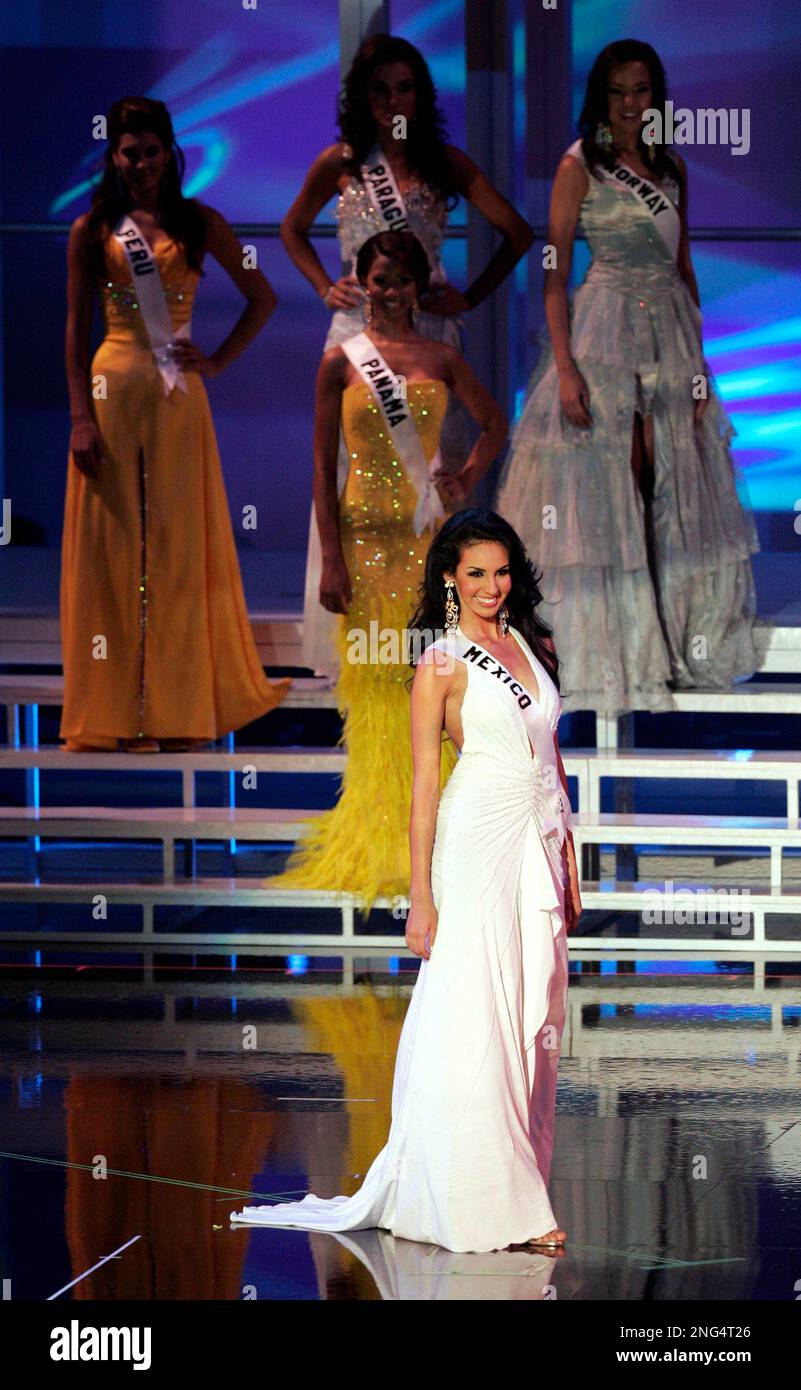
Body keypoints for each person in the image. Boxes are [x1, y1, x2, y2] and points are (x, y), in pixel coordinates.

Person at [232, 509, 582, 1253]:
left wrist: (569, 862)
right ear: (450, 582)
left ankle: (517, 1180)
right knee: (476, 1018)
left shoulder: (530, 644)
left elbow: (550, 762)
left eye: (500, 571)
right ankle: (497, 1206)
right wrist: (420, 896)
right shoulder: (440, 663)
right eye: (475, 574)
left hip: (534, 844)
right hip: (475, 843)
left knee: (531, 1017)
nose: (491, 587)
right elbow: (425, 785)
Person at [494, 39, 760, 716]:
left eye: (640, 91)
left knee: (668, 480)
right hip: (603, 329)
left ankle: (669, 643)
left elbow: (686, 269)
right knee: (616, 481)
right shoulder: (577, 164)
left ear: (655, 96)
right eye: (617, 92)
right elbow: (552, 275)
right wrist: (564, 367)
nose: (630, 104)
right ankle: (618, 648)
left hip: (668, 329)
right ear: (600, 98)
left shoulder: (670, 164)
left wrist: (699, 367)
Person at [281, 32, 533, 678]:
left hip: (426, 338)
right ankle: (349, 633)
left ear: (420, 96)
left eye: (404, 87)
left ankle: (439, 634)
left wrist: (468, 295)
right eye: (379, 88)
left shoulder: (444, 163)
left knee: (432, 479)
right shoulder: (338, 163)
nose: (392, 100)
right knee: (346, 474)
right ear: (361, 99)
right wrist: (320, 283)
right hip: (353, 334)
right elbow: (291, 229)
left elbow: (516, 231)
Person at [273, 231, 507, 912]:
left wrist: (464, 477)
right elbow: (320, 467)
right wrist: (332, 560)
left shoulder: (441, 355)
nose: (391, 291)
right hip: (363, 546)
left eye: (402, 279)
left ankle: (445, 839)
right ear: (362, 282)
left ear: (418, 285)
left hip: (426, 545)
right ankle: (384, 837)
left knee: (434, 690)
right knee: (377, 695)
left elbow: (493, 424)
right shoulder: (337, 362)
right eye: (379, 279)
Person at [60, 96, 291, 753]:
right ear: (113, 155)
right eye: (128, 152)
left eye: (151, 151)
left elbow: (262, 296)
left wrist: (215, 360)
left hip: (175, 398)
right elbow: (76, 329)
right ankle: (115, 715)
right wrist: (80, 414)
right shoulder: (91, 228)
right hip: (111, 391)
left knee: (176, 549)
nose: (140, 163)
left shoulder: (201, 222)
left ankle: (174, 712)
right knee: (113, 549)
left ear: (170, 152)